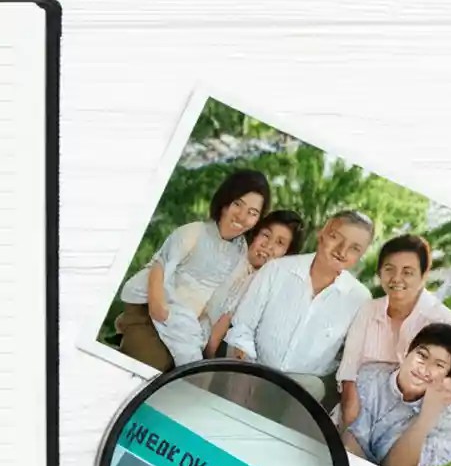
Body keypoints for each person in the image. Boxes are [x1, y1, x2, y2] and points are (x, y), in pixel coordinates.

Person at [116, 169, 271, 370]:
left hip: (184, 328)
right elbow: (160, 264)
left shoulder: (240, 255)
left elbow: (226, 305)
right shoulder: (195, 231)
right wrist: (159, 308)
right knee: (155, 368)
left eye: (252, 213)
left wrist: (207, 349)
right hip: (150, 310)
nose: (242, 216)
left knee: (185, 376)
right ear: (225, 202)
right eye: (238, 204)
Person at [224, 209, 375, 407]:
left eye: (355, 248)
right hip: (254, 368)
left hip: (304, 388)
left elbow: (350, 360)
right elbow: (243, 326)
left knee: (312, 390)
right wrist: (248, 370)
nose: (342, 250)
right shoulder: (277, 270)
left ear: (362, 254)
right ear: (322, 233)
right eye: (336, 237)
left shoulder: (360, 299)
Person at [335, 234, 451, 427]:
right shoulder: (369, 309)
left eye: (407, 272)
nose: (396, 278)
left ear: (424, 274)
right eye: (389, 269)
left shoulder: (447, 323)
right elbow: (349, 370)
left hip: (408, 424)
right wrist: (350, 415)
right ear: (380, 273)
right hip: (355, 409)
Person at [344, 322, 451, 466]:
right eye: (422, 356)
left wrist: (426, 418)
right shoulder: (369, 377)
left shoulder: (448, 420)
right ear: (408, 352)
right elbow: (349, 438)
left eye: (439, 365)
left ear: (448, 377)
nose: (424, 369)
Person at [201, 209, 305, 358]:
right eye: (266, 235)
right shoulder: (230, 251)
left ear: (286, 256)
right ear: (256, 234)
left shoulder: (264, 286)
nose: (268, 245)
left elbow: (223, 324)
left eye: (280, 243)